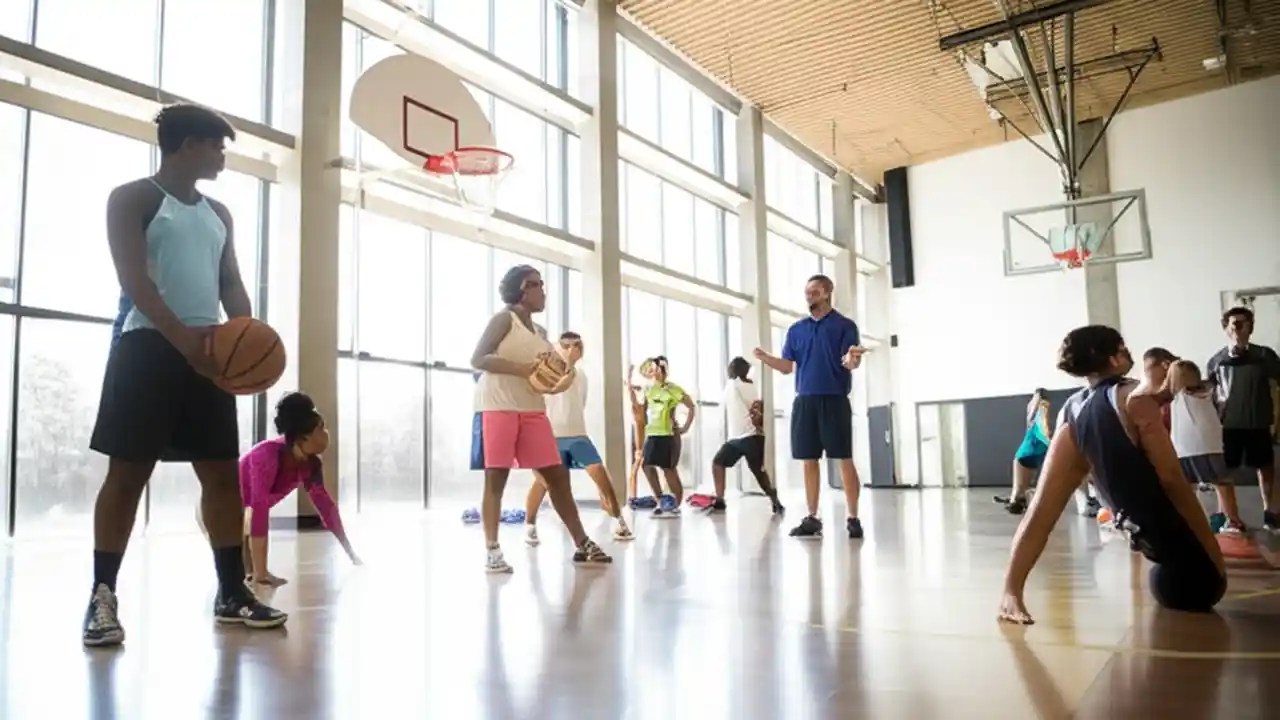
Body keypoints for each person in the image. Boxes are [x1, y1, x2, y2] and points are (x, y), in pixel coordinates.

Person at [84, 104, 286, 647]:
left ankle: (231, 592)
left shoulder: (219, 212)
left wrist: (247, 340)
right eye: (216, 145)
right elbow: (134, 282)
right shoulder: (133, 198)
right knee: (127, 476)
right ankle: (102, 598)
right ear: (186, 145)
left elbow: (231, 282)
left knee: (221, 477)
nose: (223, 156)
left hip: (212, 354)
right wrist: (185, 342)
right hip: (147, 348)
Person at [998, 325, 1226, 625]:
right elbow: (1173, 480)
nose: (1128, 351)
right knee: (1200, 582)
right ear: (1113, 357)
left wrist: (1011, 590)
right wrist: (1214, 555)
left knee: (1044, 508)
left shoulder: (1072, 411)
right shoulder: (1134, 398)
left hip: (1153, 547)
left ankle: (1008, 599)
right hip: (1197, 581)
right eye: (1122, 346)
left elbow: (1041, 512)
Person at [471, 264, 611, 573]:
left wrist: (561, 376)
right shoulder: (503, 320)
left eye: (542, 284)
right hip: (496, 407)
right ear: (522, 289)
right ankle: (492, 550)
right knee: (496, 479)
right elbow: (478, 358)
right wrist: (522, 369)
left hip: (532, 409)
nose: (543, 290)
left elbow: (546, 375)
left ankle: (581, 543)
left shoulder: (541, 333)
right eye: (537, 284)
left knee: (557, 478)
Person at [753, 275, 866, 540]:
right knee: (808, 460)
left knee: (843, 458)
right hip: (805, 401)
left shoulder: (844, 326)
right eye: (807, 293)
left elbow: (850, 362)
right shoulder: (796, 330)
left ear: (827, 293)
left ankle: (853, 517)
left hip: (835, 400)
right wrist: (766, 358)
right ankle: (813, 517)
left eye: (814, 292)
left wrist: (852, 360)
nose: (809, 297)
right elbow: (787, 367)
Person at [236, 393, 360, 586]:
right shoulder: (267, 455)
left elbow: (326, 508)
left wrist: (351, 553)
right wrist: (261, 572)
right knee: (243, 573)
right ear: (303, 437)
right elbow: (258, 508)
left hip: (245, 515)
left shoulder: (311, 465)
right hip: (222, 509)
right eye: (321, 428)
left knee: (248, 574)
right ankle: (252, 573)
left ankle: (254, 572)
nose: (327, 433)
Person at [524, 331, 634, 544]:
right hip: (549, 436)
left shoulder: (581, 376)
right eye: (572, 345)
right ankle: (529, 525)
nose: (577, 349)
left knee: (601, 475)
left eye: (580, 345)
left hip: (577, 435)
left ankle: (618, 520)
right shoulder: (544, 371)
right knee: (543, 483)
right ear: (562, 347)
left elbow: (579, 403)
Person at [1207, 307, 1280, 532]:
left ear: (1251, 327)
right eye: (1234, 323)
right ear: (1225, 328)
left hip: (1259, 423)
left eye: (1243, 323)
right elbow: (1211, 394)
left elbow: (1277, 388)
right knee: (1223, 472)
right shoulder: (1216, 361)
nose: (1238, 327)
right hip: (1229, 426)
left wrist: (1277, 421)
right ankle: (1230, 518)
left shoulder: (1265, 356)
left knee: (1265, 467)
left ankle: (1271, 513)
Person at [1166, 360, 1244, 533]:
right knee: (1197, 485)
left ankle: (1232, 520)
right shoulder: (1179, 394)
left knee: (1220, 483)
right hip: (1187, 446)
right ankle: (1213, 519)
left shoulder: (1198, 392)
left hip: (1202, 445)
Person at [709, 357, 784, 515]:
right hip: (736, 438)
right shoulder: (740, 386)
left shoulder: (739, 386)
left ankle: (774, 500)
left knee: (757, 471)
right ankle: (720, 499)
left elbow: (756, 407)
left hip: (750, 436)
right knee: (719, 463)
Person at [637, 356, 695, 517]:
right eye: (654, 368)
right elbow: (643, 412)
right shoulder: (649, 389)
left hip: (668, 435)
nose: (655, 371)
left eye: (659, 368)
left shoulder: (673, 389)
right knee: (646, 466)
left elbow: (691, 407)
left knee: (669, 469)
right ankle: (661, 500)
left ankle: (675, 504)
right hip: (653, 434)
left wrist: (685, 427)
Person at [997, 388, 1051, 515]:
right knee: (1019, 491)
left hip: (1028, 456)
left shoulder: (1036, 417)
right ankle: (1015, 501)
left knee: (1021, 490)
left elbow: (1038, 422)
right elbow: (1044, 432)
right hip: (1027, 456)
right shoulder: (1039, 416)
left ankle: (1016, 501)